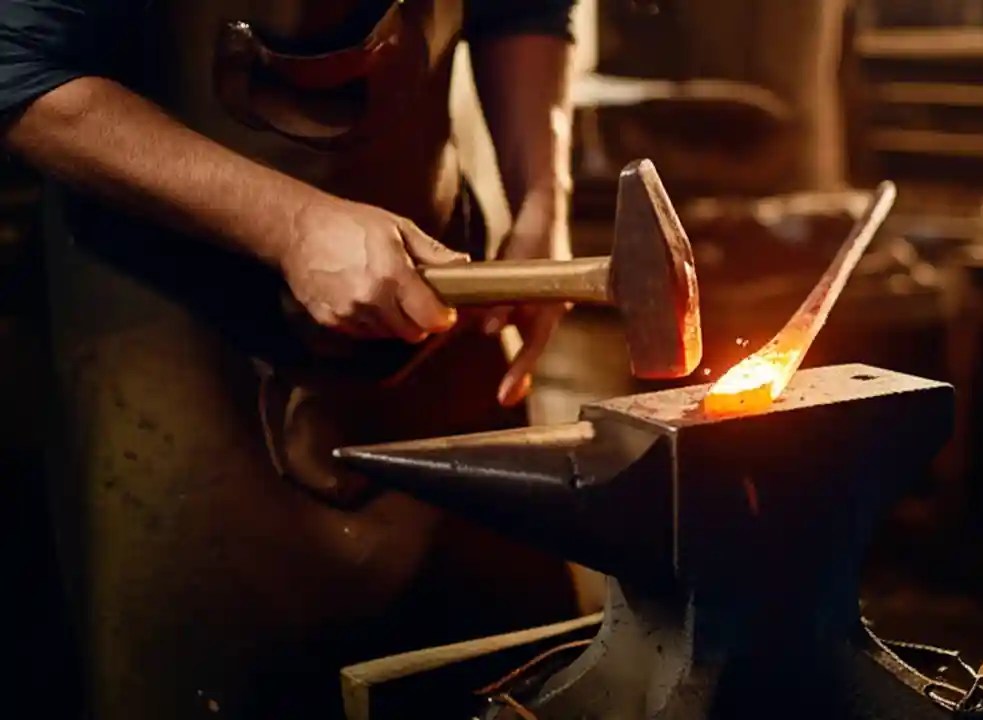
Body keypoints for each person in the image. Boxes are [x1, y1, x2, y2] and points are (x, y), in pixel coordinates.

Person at [0, 0, 582, 717]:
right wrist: (291, 224)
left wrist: (542, 202)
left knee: (500, 676)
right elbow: (17, 71)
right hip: (173, 323)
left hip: (434, 309)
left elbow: (520, 8)